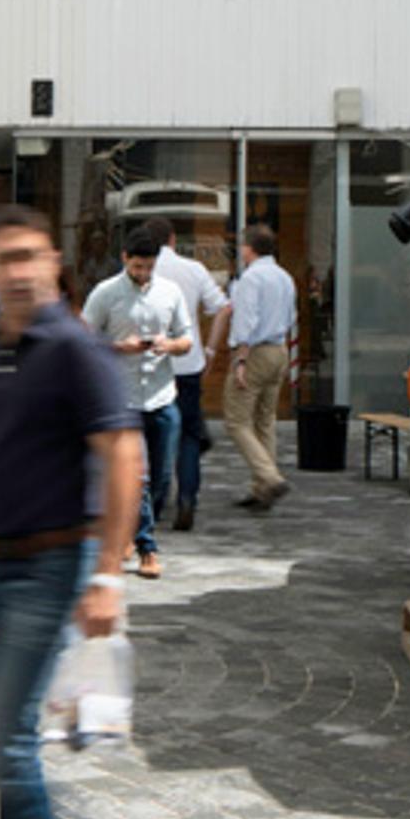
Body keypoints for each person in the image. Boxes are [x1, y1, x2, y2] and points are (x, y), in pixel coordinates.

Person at [0, 206, 139, 819]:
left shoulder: (72, 347)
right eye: (4, 258)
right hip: (1, 564)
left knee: (12, 744)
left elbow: (124, 455)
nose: (19, 270)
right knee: (5, 743)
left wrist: (107, 574)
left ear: (54, 261)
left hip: (53, 565)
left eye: (30, 255)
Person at [80, 235, 192, 580]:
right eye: (137, 266)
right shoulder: (106, 293)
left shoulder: (170, 292)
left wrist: (168, 345)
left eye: (149, 267)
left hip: (161, 394)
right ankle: (148, 547)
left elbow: (187, 340)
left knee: (159, 479)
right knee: (139, 478)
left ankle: (131, 530)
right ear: (124, 257)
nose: (143, 272)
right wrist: (118, 347)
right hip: (121, 398)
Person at [144, 215, 227, 533]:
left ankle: (155, 502)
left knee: (154, 434)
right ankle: (188, 498)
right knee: (190, 436)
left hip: (153, 364)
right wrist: (210, 350)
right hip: (189, 364)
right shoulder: (194, 270)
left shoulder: (142, 270)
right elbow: (223, 307)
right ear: (173, 240)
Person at [218, 222, 298, 512]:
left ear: (249, 248)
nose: (240, 250)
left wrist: (240, 358)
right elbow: (291, 317)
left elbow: (245, 321)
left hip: (255, 353)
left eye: (241, 245)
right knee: (265, 421)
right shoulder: (284, 277)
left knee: (237, 421)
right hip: (279, 349)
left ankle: (269, 476)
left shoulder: (251, 278)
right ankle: (262, 488)